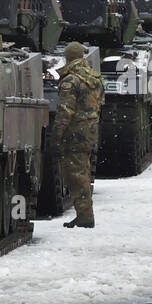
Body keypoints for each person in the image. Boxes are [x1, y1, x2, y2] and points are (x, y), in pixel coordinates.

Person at [53, 41, 104, 228]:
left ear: (68, 57)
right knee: (84, 171)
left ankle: (84, 216)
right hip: (90, 130)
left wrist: (56, 136)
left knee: (76, 175)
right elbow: (99, 105)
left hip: (75, 133)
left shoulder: (71, 80)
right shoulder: (95, 78)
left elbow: (65, 111)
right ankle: (84, 213)